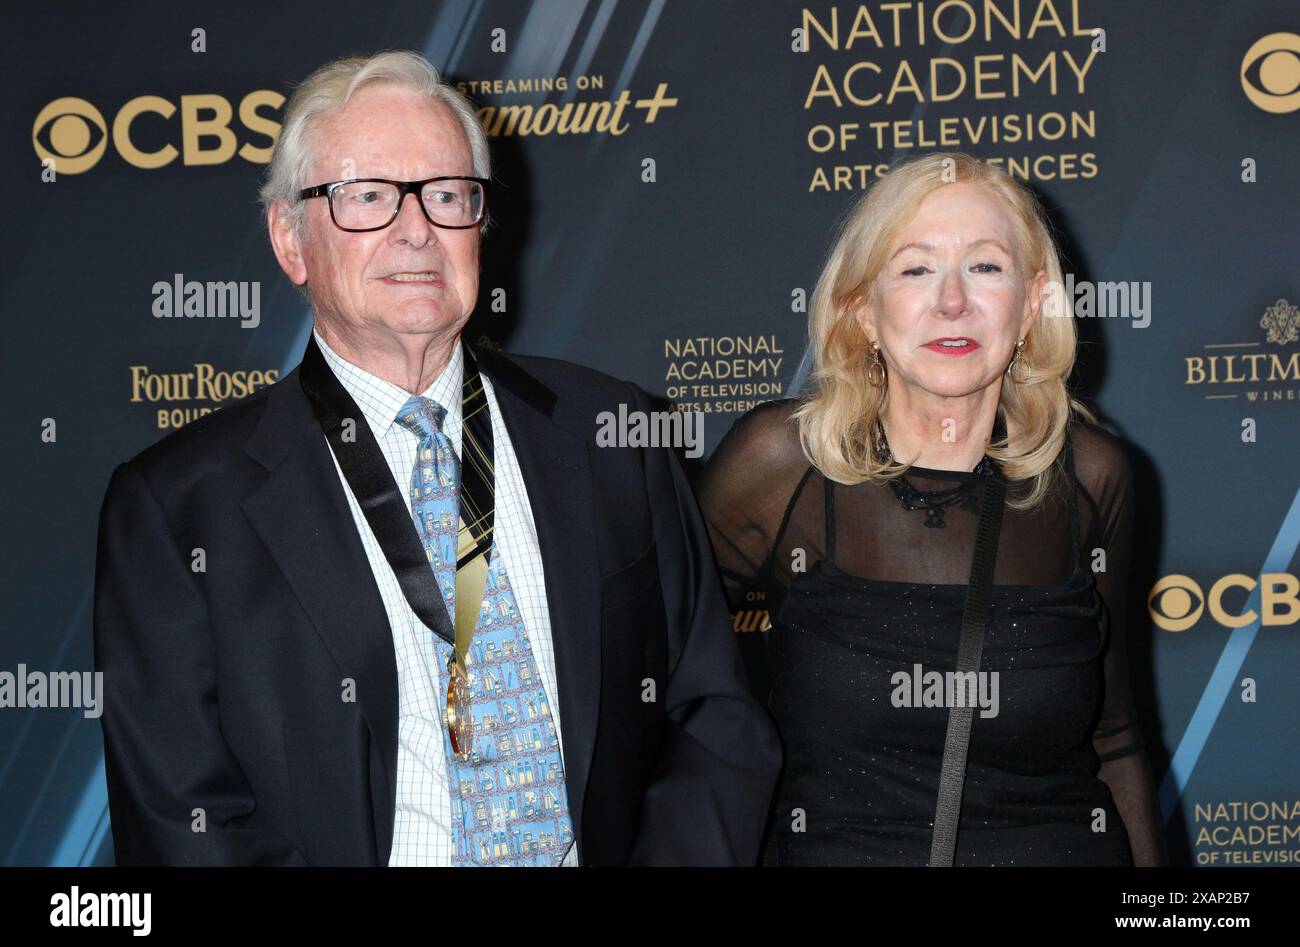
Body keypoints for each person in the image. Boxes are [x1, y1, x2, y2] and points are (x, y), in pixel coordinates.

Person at [93, 51, 780, 867]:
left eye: (447, 195)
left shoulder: (614, 436)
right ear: (290, 241)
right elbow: (185, 822)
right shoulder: (177, 509)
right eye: (368, 197)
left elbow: (714, 720)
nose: (416, 228)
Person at [698, 152, 1166, 865]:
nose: (953, 302)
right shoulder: (781, 466)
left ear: (1033, 300)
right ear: (863, 311)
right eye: (916, 269)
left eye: (985, 267)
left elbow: (1115, 737)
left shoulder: (1093, 477)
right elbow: (663, 690)